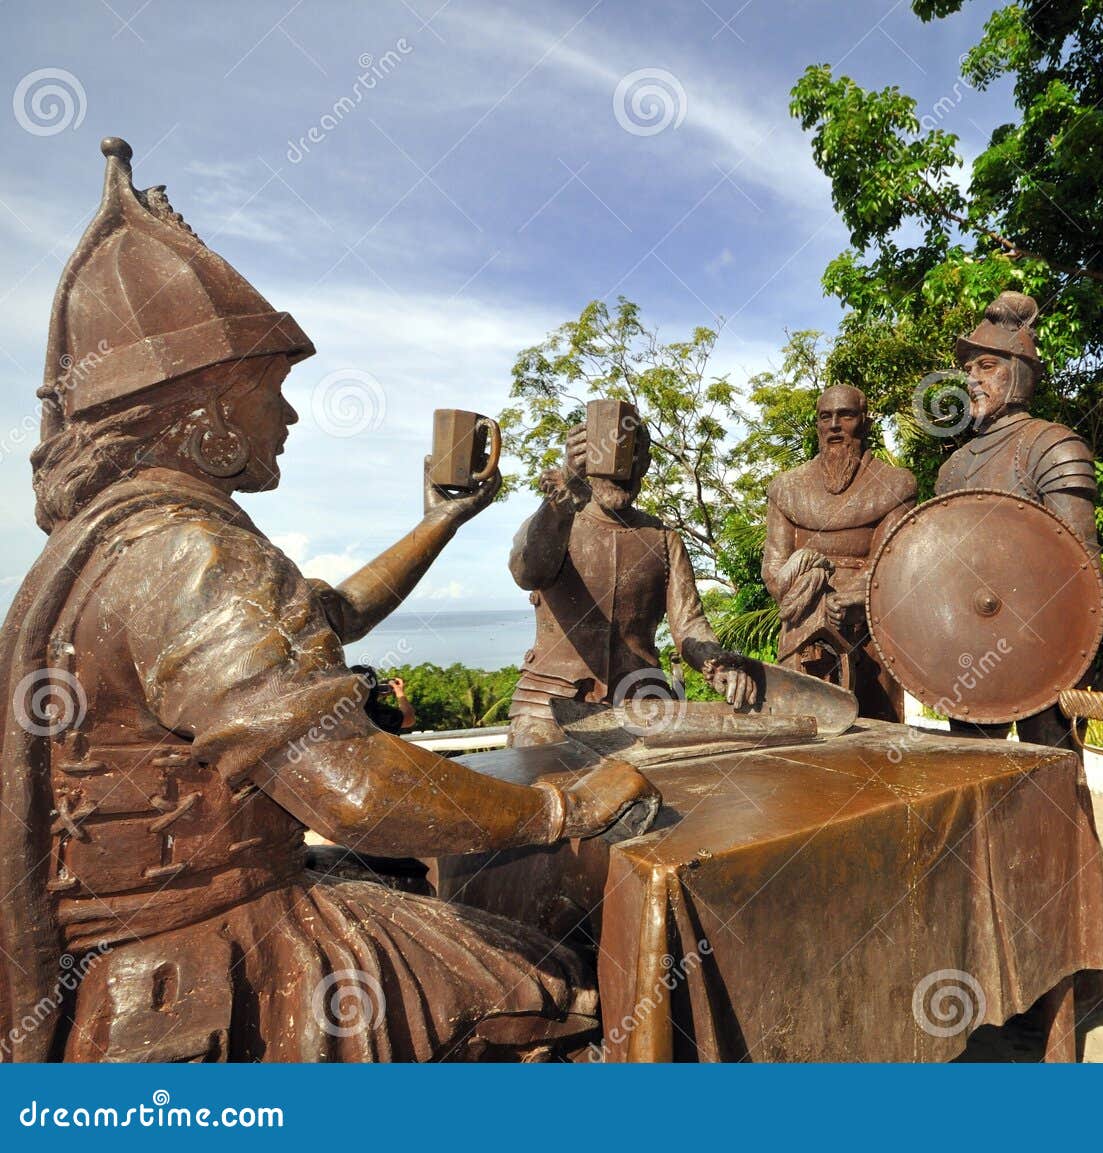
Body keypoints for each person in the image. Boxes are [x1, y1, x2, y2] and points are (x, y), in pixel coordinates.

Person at [0, 138, 658, 1063]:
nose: (293, 418)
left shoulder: (113, 548)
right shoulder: (192, 555)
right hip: (218, 947)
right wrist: (561, 810)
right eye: (272, 393)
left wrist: (442, 520)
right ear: (208, 425)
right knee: (563, 998)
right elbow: (349, 787)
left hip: (127, 967)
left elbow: (334, 613)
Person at [505, 405, 756, 746]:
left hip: (642, 701)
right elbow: (528, 571)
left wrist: (717, 665)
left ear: (646, 465)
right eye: (613, 454)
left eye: (635, 456)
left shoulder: (663, 538)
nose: (624, 469)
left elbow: (689, 625)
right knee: (546, 778)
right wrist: (566, 496)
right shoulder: (557, 521)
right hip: (548, 705)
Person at [934, 290, 1100, 747]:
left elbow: (1082, 569)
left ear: (1020, 372)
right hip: (970, 651)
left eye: (987, 366)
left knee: (1053, 781)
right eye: (968, 369)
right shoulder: (953, 468)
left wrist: (1069, 658)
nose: (971, 379)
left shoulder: (1051, 446)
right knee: (974, 782)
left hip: (1043, 649)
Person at [762, 385, 916, 720]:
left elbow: (890, 563)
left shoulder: (896, 484)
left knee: (872, 743)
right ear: (817, 425)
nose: (834, 425)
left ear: (865, 422)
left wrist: (848, 599)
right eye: (825, 417)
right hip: (802, 627)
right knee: (801, 741)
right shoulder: (786, 487)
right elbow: (773, 566)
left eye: (845, 415)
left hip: (869, 628)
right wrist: (807, 595)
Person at [350, 665, 415, 733]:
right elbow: (409, 719)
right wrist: (400, 693)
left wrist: (375, 695)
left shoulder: (342, 708)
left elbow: (361, 699)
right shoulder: (376, 713)